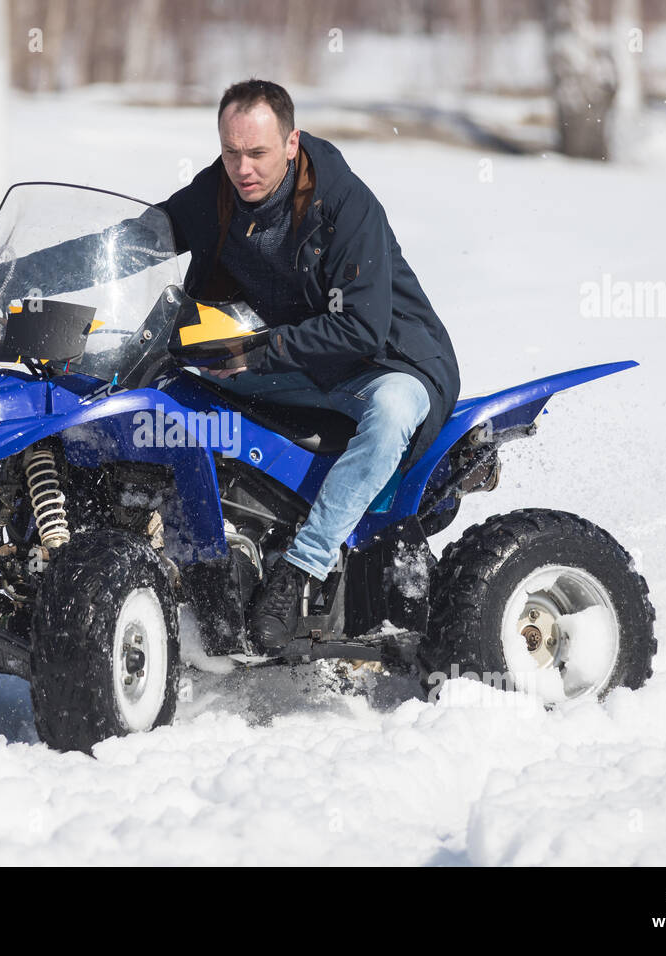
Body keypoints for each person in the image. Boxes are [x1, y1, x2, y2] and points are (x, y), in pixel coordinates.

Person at [148, 79, 459, 653]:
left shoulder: (345, 204)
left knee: (391, 411)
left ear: (291, 144)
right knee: (169, 389)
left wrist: (258, 352)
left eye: (258, 153)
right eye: (230, 152)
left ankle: (298, 573)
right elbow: (139, 238)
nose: (242, 168)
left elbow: (361, 327)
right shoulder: (218, 191)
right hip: (295, 360)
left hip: (389, 364)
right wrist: (14, 280)